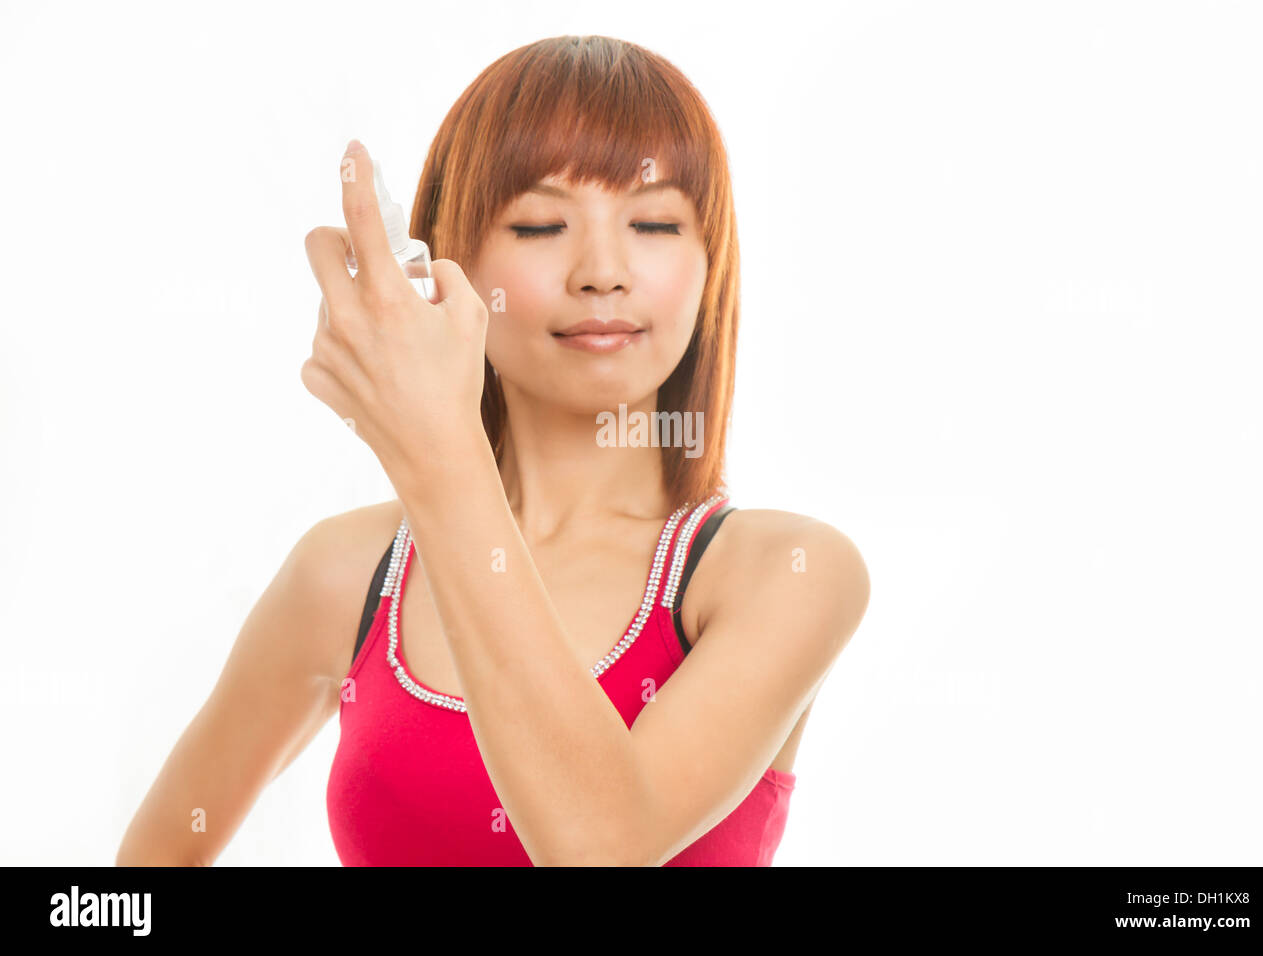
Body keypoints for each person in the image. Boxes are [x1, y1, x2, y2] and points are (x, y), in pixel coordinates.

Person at [116, 34, 870, 868]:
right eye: (542, 224)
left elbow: (600, 848)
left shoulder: (790, 571)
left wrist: (435, 452)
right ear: (453, 264)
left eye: (655, 222)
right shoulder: (346, 572)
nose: (602, 272)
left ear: (708, 266)